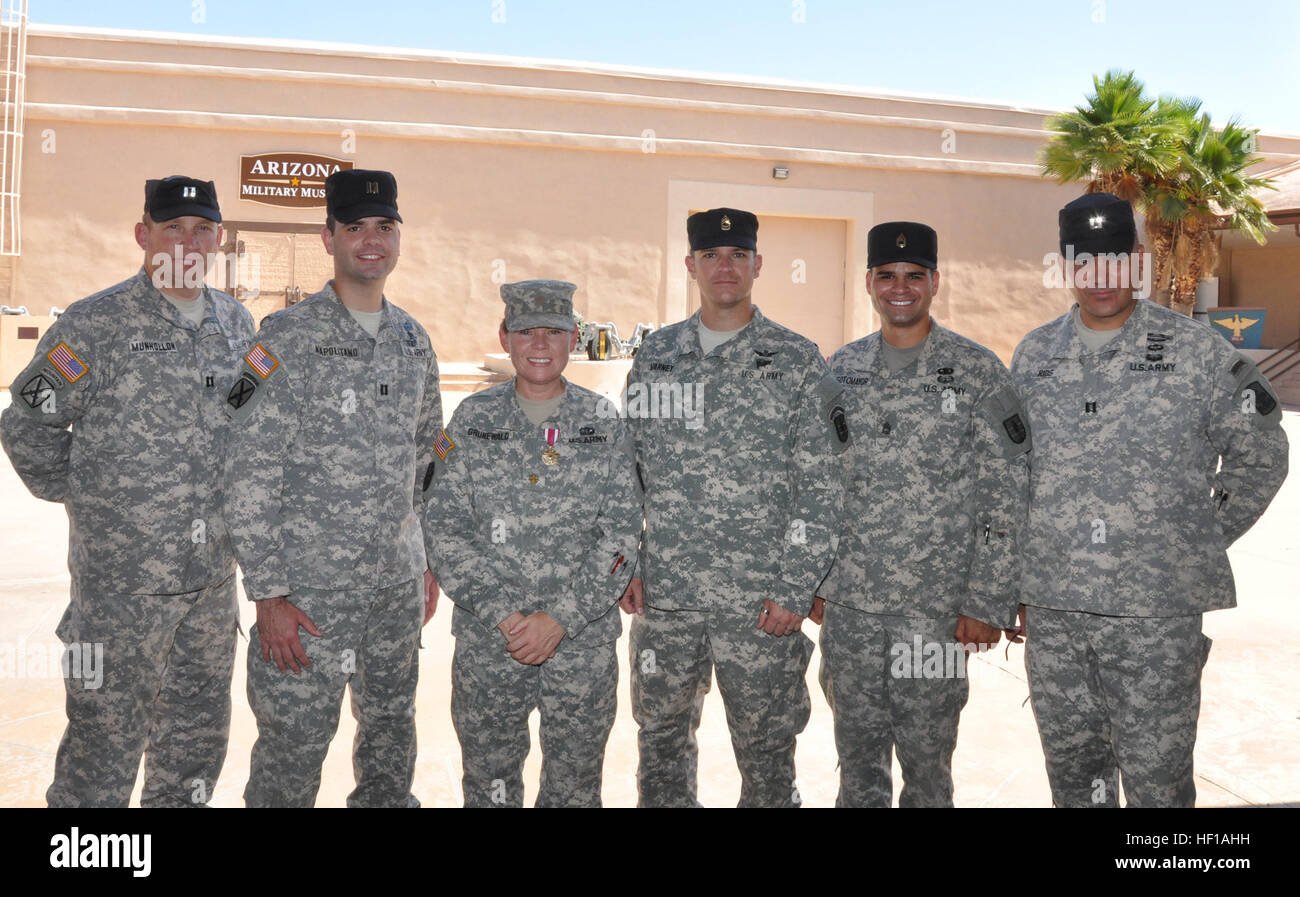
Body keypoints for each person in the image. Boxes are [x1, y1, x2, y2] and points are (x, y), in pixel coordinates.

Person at [1010, 192, 1289, 807]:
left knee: (1158, 783)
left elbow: (1261, 454)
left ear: (1136, 259)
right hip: (1056, 613)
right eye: (1084, 261)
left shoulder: (1197, 353)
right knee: (1076, 781)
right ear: (1065, 266)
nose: (1100, 275)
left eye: (1114, 258)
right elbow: (1012, 472)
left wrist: (1192, 540)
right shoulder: (1033, 356)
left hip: (1156, 616)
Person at [0, 176, 253, 807]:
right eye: (172, 228)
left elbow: (248, 421)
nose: (188, 242)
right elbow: (26, 421)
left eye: (203, 230)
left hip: (211, 587)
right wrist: (88, 498)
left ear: (219, 239)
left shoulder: (237, 322)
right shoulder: (94, 325)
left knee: (194, 747)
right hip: (120, 592)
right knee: (101, 751)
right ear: (145, 235)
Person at [223, 169, 442, 807]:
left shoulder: (413, 341)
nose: (371, 241)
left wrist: (422, 556)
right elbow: (246, 464)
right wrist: (268, 592)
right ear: (329, 238)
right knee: (292, 750)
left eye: (384, 227)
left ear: (398, 238)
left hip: (395, 591)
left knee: (390, 737)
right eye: (355, 228)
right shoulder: (281, 338)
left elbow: (431, 454)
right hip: (306, 598)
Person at [620, 207, 847, 807]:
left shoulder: (797, 360)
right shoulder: (656, 357)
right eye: (713, 256)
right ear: (690, 265)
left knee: (767, 752)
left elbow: (821, 485)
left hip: (761, 602)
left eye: (738, 255)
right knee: (662, 746)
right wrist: (628, 564)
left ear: (757, 265)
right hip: (667, 597)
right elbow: (627, 471)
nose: (726, 267)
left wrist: (796, 586)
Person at [812, 221, 1030, 807]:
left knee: (928, 770)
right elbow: (818, 482)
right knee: (856, 767)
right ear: (869, 283)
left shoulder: (977, 370)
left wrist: (987, 602)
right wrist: (813, 581)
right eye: (887, 275)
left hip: (935, 613)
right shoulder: (842, 370)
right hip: (852, 610)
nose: (899, 287)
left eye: (913, 276)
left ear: (935, 282)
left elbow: (1005, 491)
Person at [424, 280, 642, 807]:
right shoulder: (470, 421)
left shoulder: (604, 422)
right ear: (505, 337)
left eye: (555, 331)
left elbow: (621, 533)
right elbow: (443, 526)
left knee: (574, 790)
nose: (539, 343)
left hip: (581, 644)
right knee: (489, 787)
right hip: (490, 643)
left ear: (574, 340)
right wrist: (506, 616)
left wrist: (560, 618)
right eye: (525, 331)